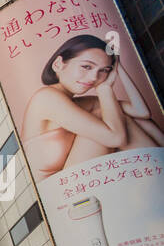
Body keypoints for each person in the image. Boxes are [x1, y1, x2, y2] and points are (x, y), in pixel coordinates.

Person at [20, 34, 164, 180]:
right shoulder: (46, 97)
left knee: (115, 114)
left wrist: (118, 67)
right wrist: (104, 89)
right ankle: (159, 170)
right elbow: (116, 139)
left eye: (104, 70)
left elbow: (141, 112)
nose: (94, 77)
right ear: (58, 64)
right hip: (60, 190)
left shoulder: (79, 103)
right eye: (86, 66)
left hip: (80, 179)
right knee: (108, 116)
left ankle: (159, 167)